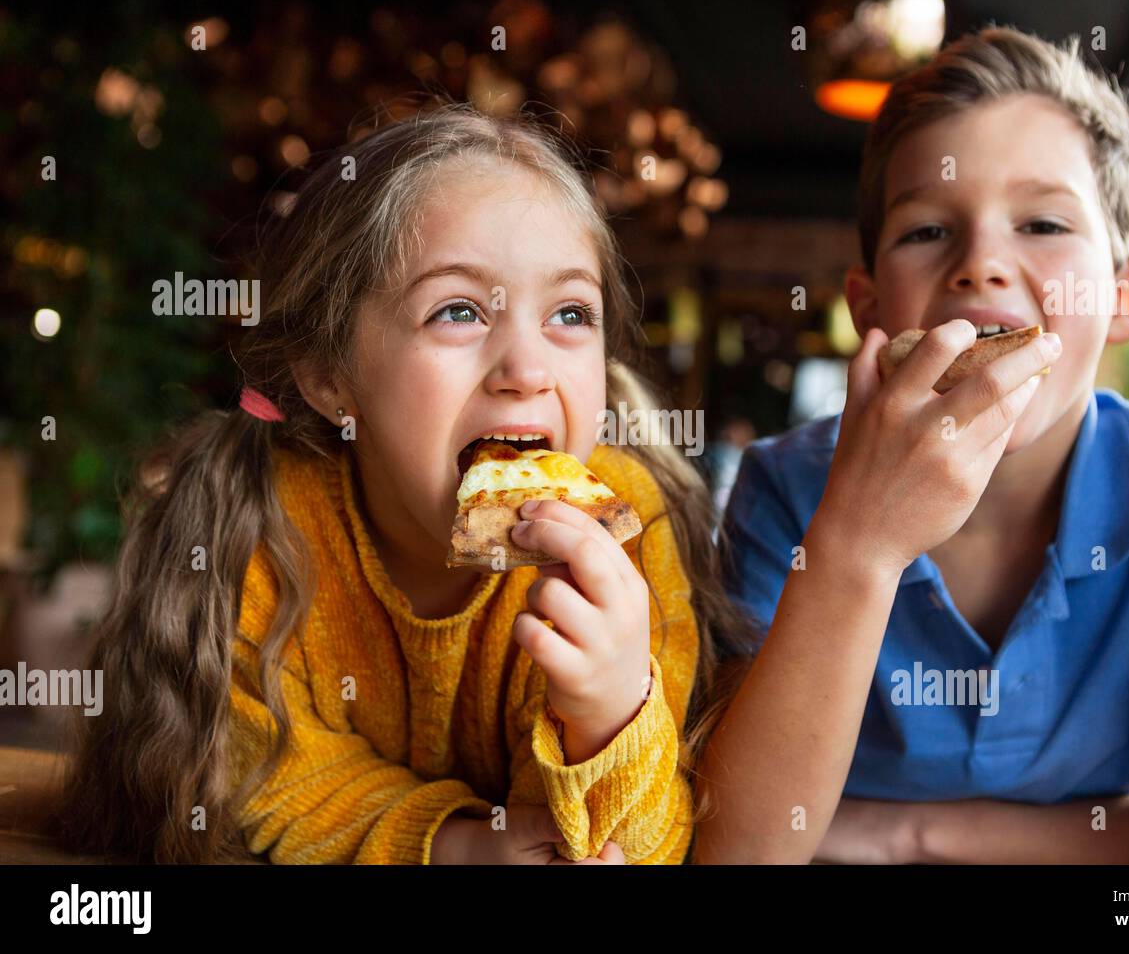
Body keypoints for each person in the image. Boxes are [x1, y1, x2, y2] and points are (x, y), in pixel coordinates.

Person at [56, 105, 745, 864]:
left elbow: (640, 848)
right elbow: (258, 776)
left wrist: (610, 714)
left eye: (570, 313)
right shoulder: (265, 527)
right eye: (458, 311)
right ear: (330, 377)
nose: (528, 370)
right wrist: (456, 847)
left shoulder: (625, 532)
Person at [695, 26, 1129, 863]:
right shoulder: (787, 487)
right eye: (926, 232)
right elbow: (738, 848)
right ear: (869, 309)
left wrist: (910, 833)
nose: (981, 263)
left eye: (1044, 222)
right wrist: (858, 543)